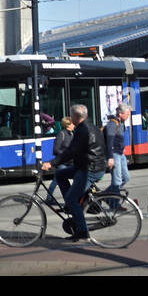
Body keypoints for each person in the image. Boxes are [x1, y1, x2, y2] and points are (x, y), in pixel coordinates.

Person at [40, 103, 92, 242]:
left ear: (76, 117)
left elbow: (72, 151)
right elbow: (63, 151)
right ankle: (68, 205)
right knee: (59, 175)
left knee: (71, 198)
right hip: (76, 164)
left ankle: (82, 231)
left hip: (86, 167)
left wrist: (51, 163)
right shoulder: (70, 132)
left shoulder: (80, 131)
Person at [103, 104, 132, 197]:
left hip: (120, 154)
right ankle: (114, 204)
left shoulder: (121, 123)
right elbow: (109, 140)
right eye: (127, 114)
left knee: (126, 178)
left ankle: (106, 196)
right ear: (120, 114)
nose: (129, 116)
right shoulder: (112, 123)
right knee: (117, 181)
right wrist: (110, 157)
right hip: (114, 154)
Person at [45, 117, 74, 202]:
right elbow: (56, 149)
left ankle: (70, 199)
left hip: (71, 162)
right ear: (67, 125)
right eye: (72, 124)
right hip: (62, 162)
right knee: (56, 180)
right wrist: (66, 154)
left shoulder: (72, 134)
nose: (73, 125)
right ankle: (49, 198)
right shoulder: (61, 134)